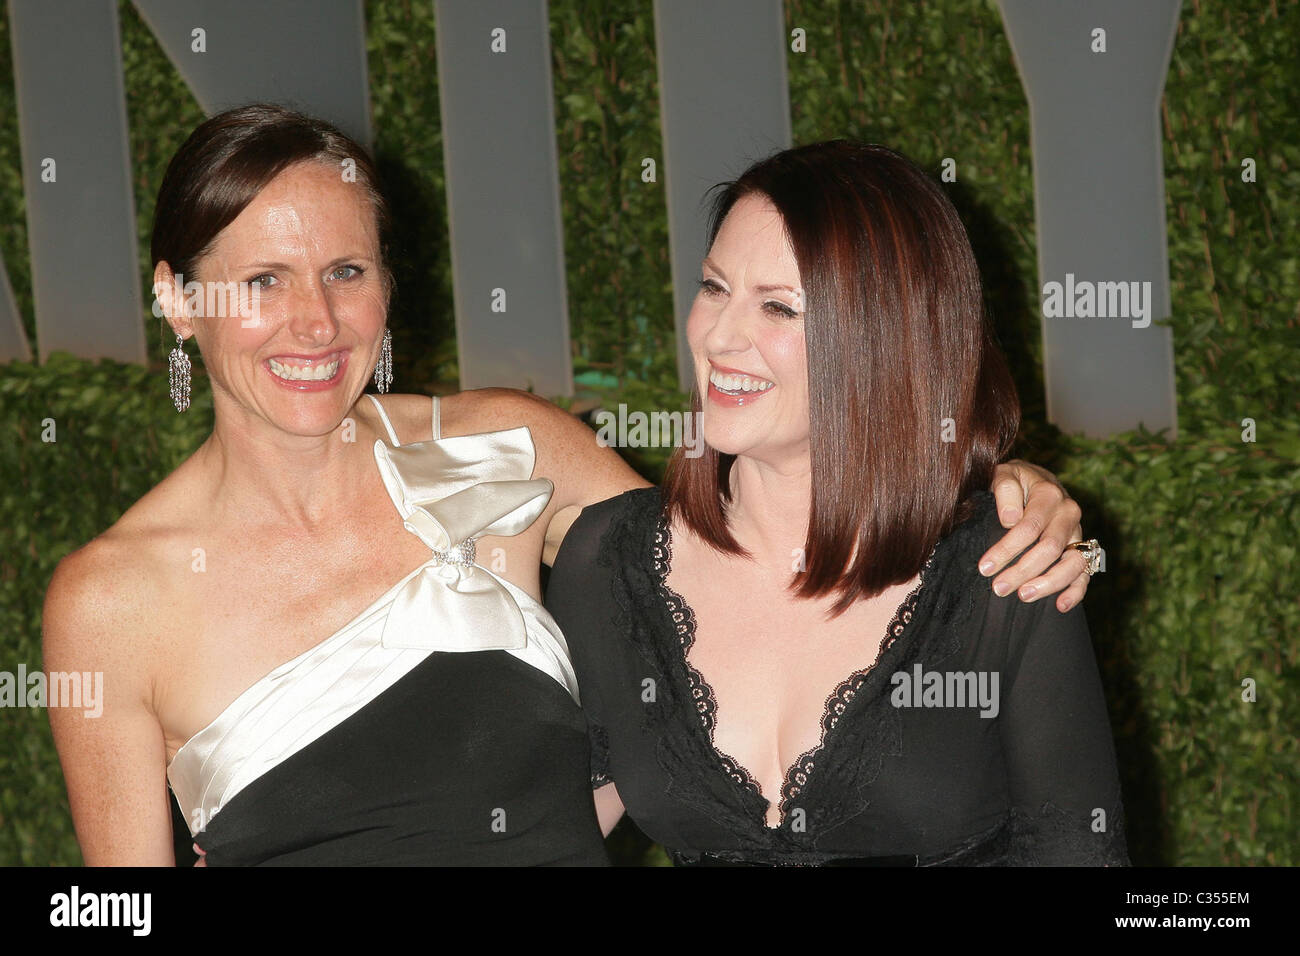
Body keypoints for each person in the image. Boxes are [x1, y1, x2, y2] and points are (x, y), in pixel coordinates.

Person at [42, 107, 1094, 865]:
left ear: (388, 291)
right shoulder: (110, 602)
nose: (314, 323)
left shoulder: (509, 451)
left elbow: (756, 539)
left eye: (347, 272)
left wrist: (991, 482)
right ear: (178, 300)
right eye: (260, 281)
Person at [546, 141, 1127, 866]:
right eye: (715, 287)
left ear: (884, 341)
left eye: (779, 308)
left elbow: (1080, 853)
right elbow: (542, 827)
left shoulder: (1007, 568)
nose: (719, 337)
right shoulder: (609, 561)